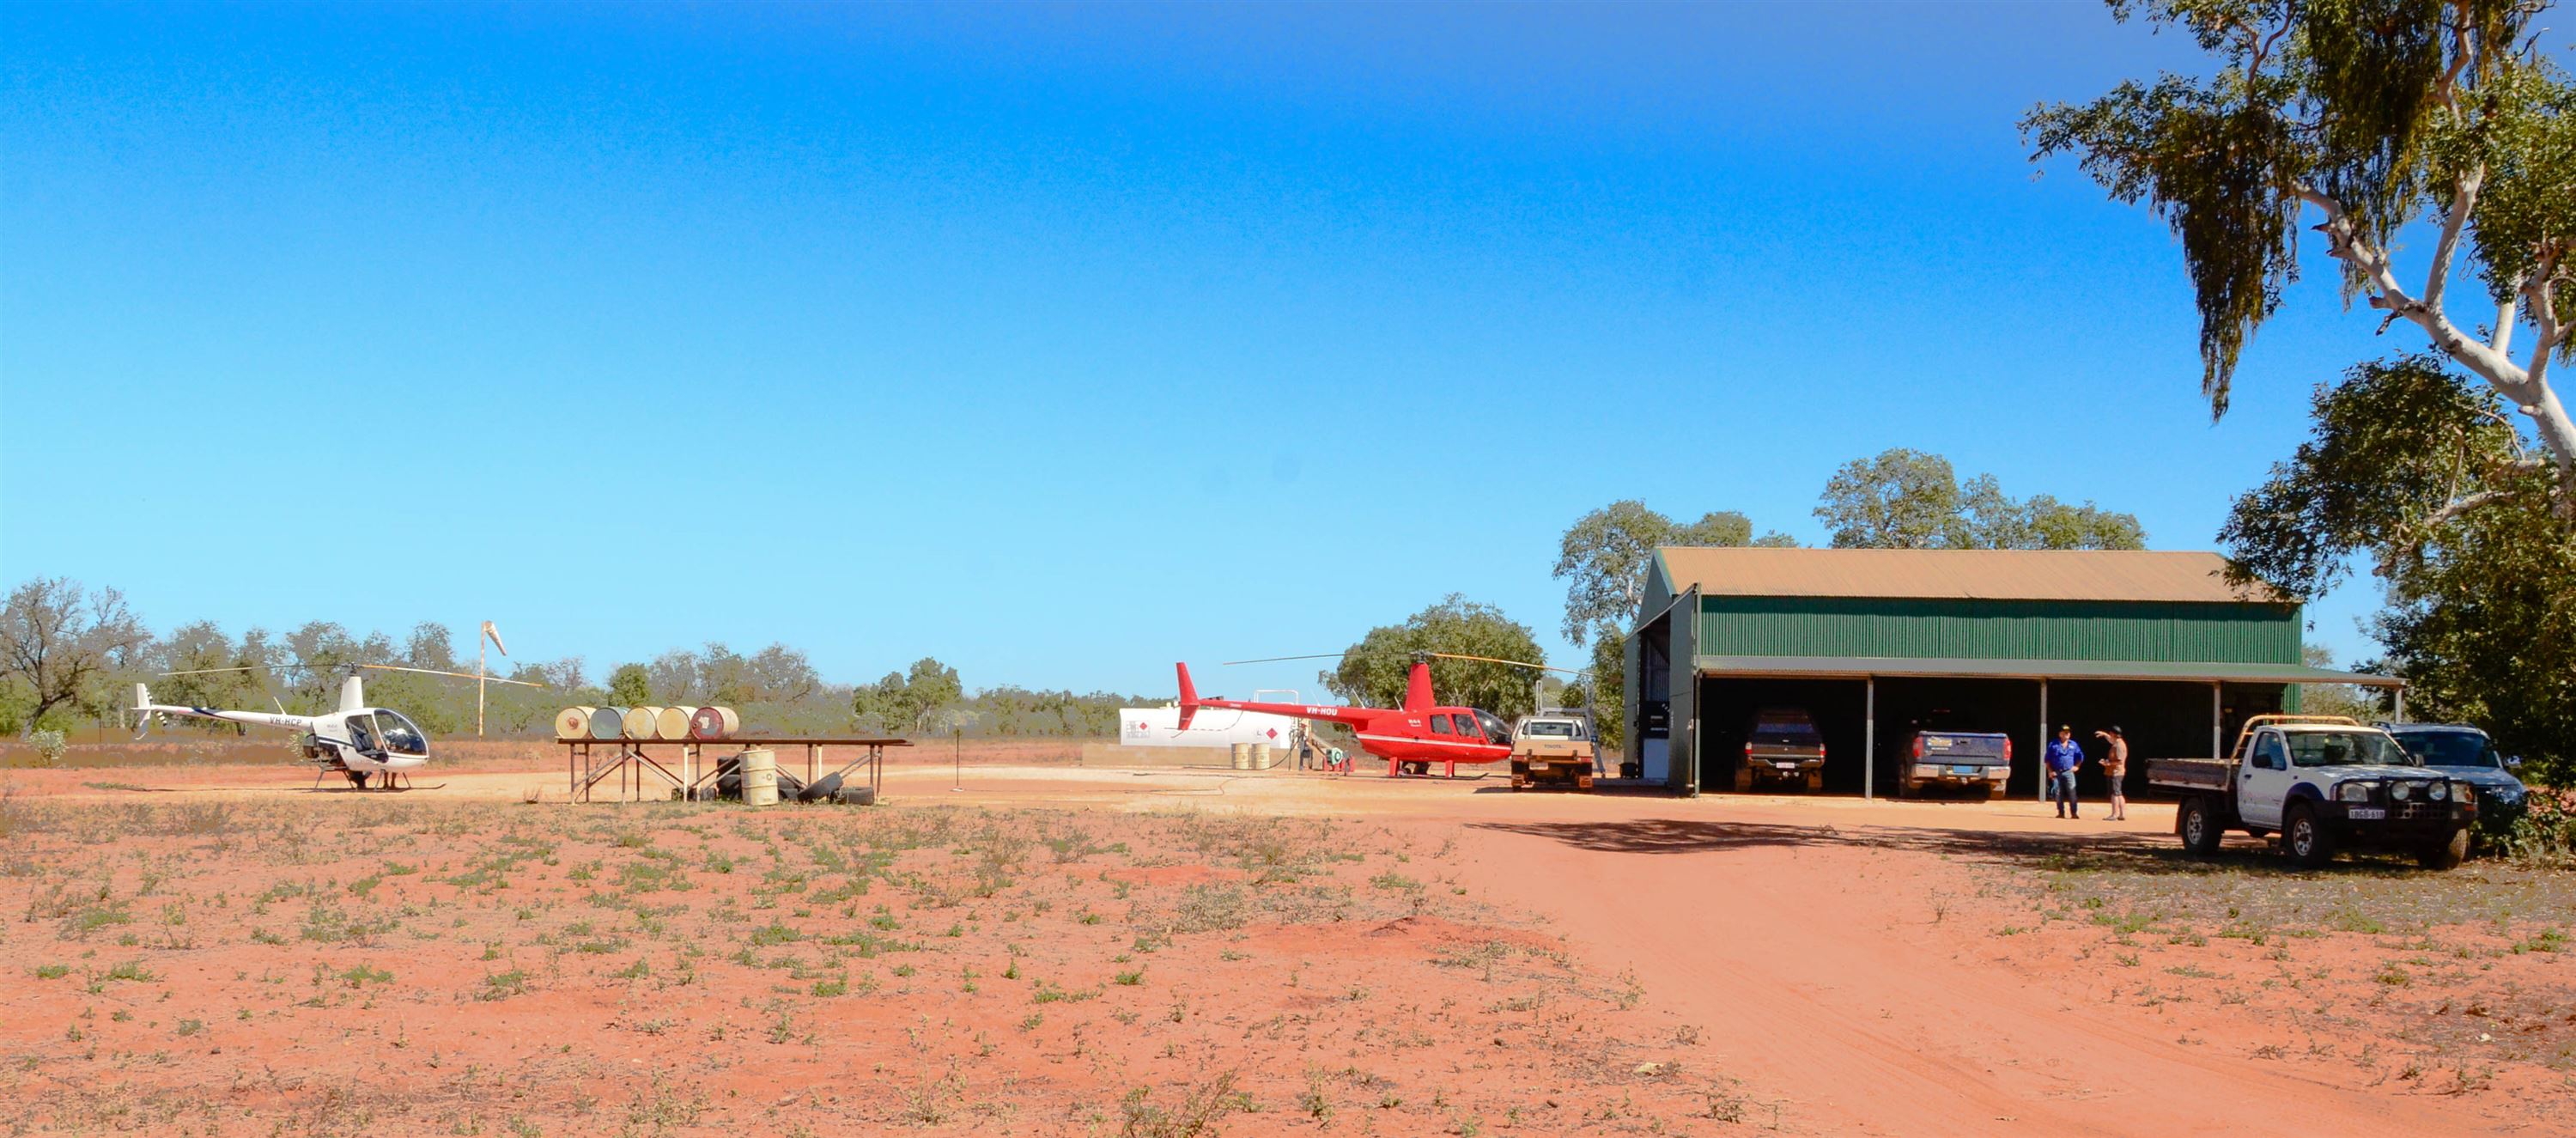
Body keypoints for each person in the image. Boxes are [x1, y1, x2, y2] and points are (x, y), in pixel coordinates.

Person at [2044, 725, 2084, 819]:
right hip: (2056, 772)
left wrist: (2077, 766)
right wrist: (2050, 771)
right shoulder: (2053, 744)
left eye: (2068, 732)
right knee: (2058, 793)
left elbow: (2080, 756)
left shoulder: (2074, 745)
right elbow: (2047, 759)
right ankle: (2061, 813)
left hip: (2069, 772)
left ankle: (2074, 813)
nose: (2067, 734)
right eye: (2064, 732)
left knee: (2072, 792)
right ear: (2060, 734)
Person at [2093, 726, 2129, 821]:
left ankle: (2114, 814)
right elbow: (2111, 740)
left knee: (2115, 794)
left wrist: (2107, 763)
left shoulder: (2119, 746)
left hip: (2116, 772)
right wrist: (2104, 734)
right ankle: (2121, 814)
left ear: (2113, 734)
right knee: (2118, 793)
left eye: (2110, 733)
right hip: (2116, 771)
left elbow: (2120, 761)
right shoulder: (2117, 743)